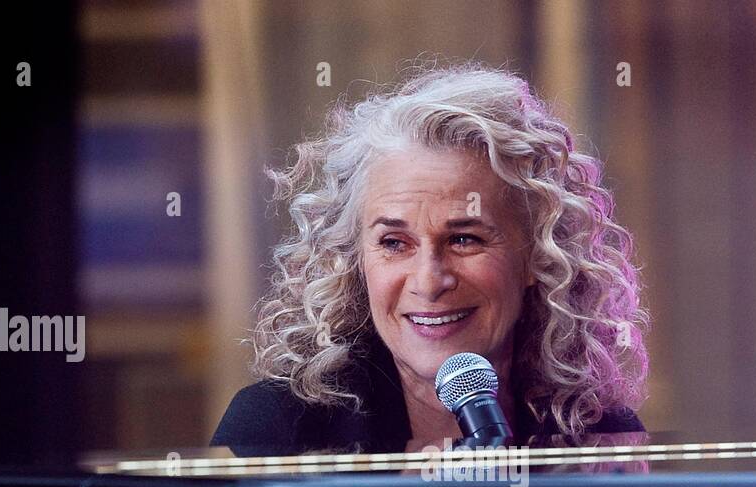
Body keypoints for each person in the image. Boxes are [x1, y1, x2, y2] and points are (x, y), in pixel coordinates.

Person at [212, 62, 649, 456]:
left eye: (464, 238)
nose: (429, 280)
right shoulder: (277, 428)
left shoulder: (596, 430)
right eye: (393, 243)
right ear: (355, 261)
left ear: (538, 257)